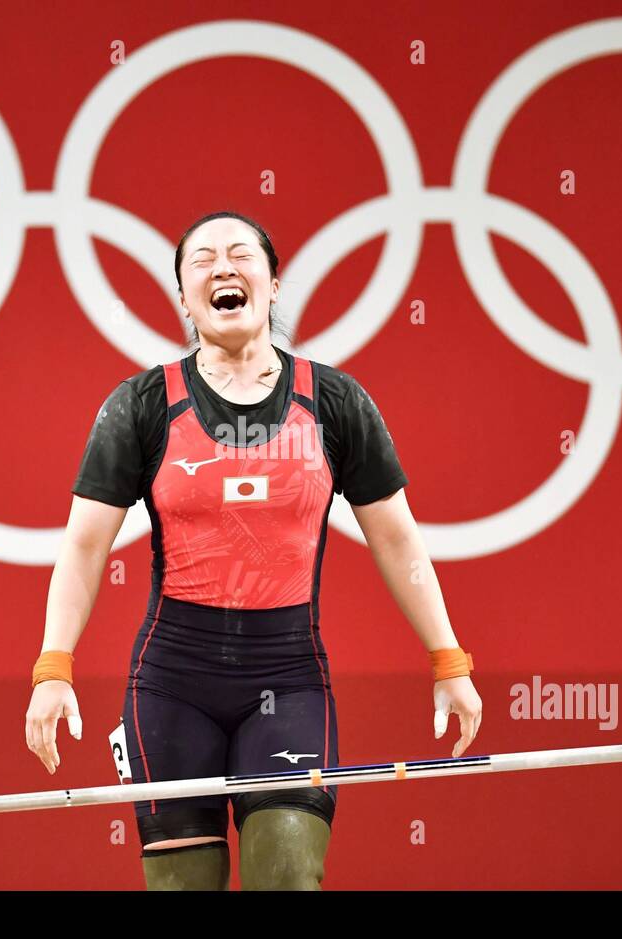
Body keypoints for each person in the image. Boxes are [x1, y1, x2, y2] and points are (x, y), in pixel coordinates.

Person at [25, 211, 481, 890]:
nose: (223, 268)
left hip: (289, 677)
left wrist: (449, 658)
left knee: (290, 873)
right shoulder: (142, 406)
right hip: (172, 686)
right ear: (185, 297)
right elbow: (85, 547)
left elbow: (395, 535)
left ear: (273, 284)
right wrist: (52, 666)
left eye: (241, 255)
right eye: (202, 260)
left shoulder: (334, 402)